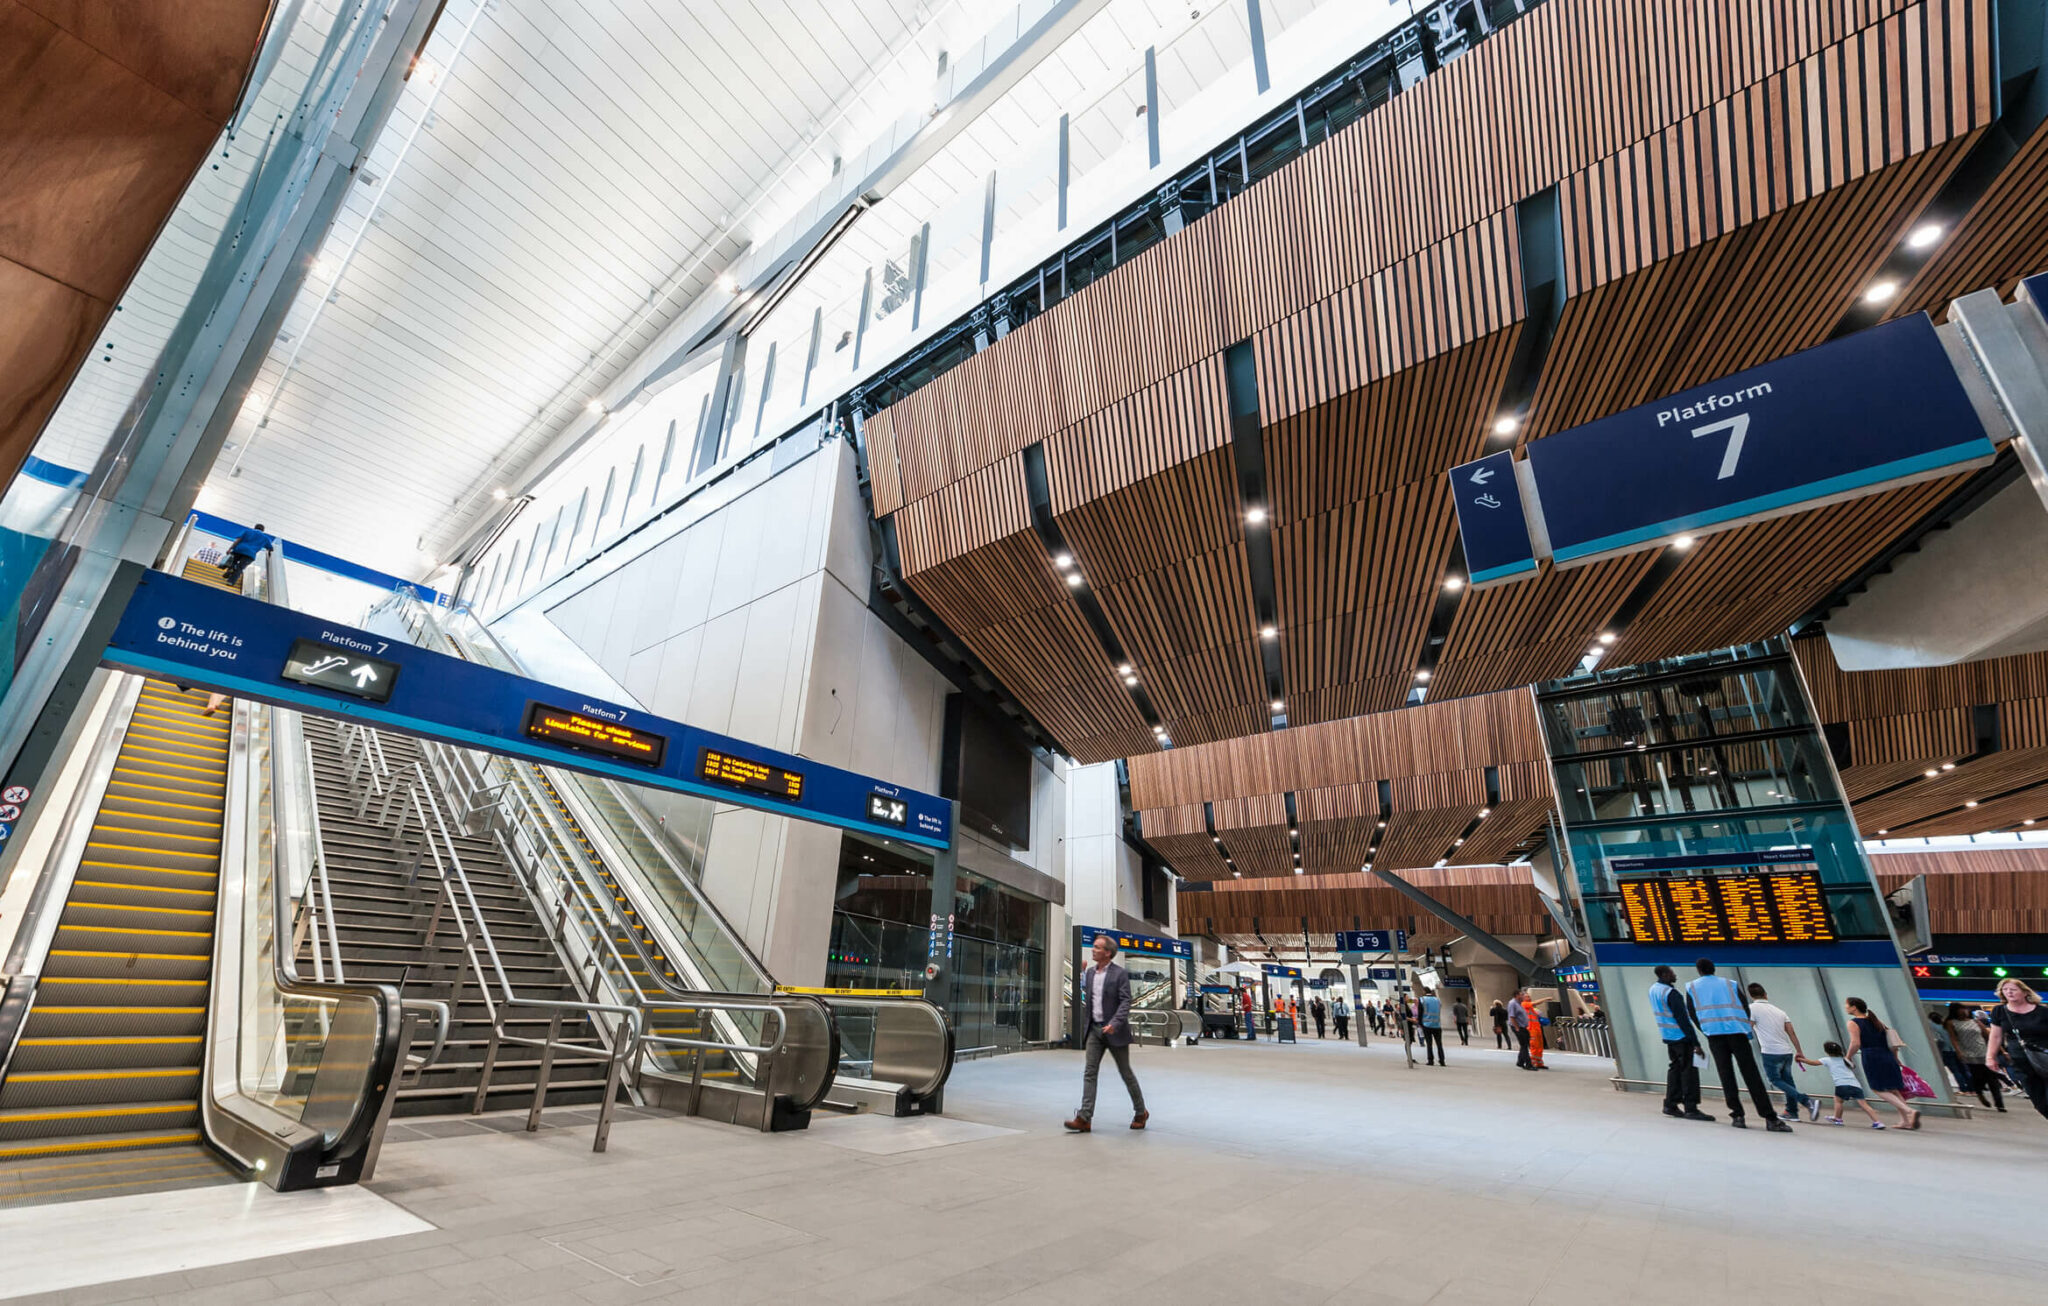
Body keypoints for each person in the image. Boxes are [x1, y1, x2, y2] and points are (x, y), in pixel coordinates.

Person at [1684, 959, 1788, 1131]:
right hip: (1737, 1032)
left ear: (1699, 970)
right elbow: (1745, 1008)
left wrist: (1705, 1029)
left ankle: (1737, 1115)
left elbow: (1692, 1012)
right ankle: (1770, 1117)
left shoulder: (1691, 987)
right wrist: (1745, 1027)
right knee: (1751, 1074)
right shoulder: (1730, 984)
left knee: (1726, 1075)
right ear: (1714, 969)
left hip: (1714, 1035)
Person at [1064, 935, 1147, 1132]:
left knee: (1125, 1072)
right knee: (1090, 1072)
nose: (1093, 950)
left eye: (1097, 947)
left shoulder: (1120, 974)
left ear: (1108, 953)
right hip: (1095, 1030)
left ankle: (1140, 1111)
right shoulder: (1091, 973)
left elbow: (1126, 1001)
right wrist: (1081, 974)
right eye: (1093, 947)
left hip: (1115, 1031)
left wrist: (1115, 1023)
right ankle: (1084, 1117)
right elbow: (1090, 995)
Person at [1747, 982, 1820, 1122]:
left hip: (1770, 1051)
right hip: (1787, 1052)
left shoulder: (1751, 1009)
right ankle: (1792, 1112)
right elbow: (1792, 1033)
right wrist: (1799, 1051)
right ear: (1765, 994)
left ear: (1751, 996)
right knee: (1788, 1082)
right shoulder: (1780, 1011)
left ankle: (1806, 1101)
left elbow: (1748, 1029)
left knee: (1774, 1079)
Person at [1843, 997, 1919, 1130]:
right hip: (1887, 1055)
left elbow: (1855, 1043)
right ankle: (1905, 1121)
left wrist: (1848, 1057)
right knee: (1894, 1090)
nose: (1845, 1007)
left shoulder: (1853, 1023)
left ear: (1854, 1007)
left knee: (1877, 1088)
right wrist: (1896, 1059)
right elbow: (1892, 1043)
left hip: (1872, 1057)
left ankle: (1909, 1111)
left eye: (1847, 1005)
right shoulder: (1877, 1021)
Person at [1647, 966, 1711, 1121]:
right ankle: (1691, 1107)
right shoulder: (1671, 993)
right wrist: (1696, 1043)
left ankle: (1670, 1104)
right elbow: (1683, 1019)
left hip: (1668, 1036)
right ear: (1664, 974)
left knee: (1675, 1070)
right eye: (1671, 973)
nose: (1674, 975)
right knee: (1689, 1072)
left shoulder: (1654, 989)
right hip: (1681, 1037)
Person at [1983, 977, 2048, 1120]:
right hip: (2021, 1062)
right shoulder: (2000, 1011)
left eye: (2013, 989)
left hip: (2044, 1058)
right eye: (2005, 990)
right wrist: (1990, 1057)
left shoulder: (2042, 1012)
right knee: (2040, 1103)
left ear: (2025, 992)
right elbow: (1995, 1036)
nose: (2009, 992)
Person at [1943, 1002, 2003, 1112]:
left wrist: (2000, 1050)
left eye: (1965, 1009)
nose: (1964, 1011)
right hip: (1969, 1054)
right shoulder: (1951, 1023)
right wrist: (1958, 1051)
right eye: (1961, 1009)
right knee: (1978, 1077)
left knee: (1992, 1078)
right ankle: (1979, 1093)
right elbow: (1953, 1039)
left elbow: (1988, 1035)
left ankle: (1999, 1103)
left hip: (1984, 1051)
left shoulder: (1975, 1021)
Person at [1818, 1040, 1887, 1128]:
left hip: (1841, 1084)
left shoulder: (1826, 1060)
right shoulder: (1845, 1059)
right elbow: (1853, 1066)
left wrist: (1802, 1059)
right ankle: (1877, 1122)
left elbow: (1812, 1063)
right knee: (1864, 1105)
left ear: (1827, 1051)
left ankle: (1837, 1118)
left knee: (1838, 1101)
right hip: (1855, 1085)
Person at [1929, 1009, 1970, 1093]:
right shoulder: (1947, 1024)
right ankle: (1971, 1088)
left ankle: (1963, 1088)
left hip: (1946, 1051)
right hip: (1957, 1049)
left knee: (1955, 1071)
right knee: (1964, 1069)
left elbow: (1939, 1040)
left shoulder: (1932, 1026)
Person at [1418, 989, 1446, 1066]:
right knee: (1439, 1044)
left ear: (1424, 991)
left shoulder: (1422, 999)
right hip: (1437, 1025)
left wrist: (1420, 1023)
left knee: (1429, 1044)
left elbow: (1420, 1012)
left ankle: (1430, 1060)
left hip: (1426, 1025)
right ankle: (1442, 1060)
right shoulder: (1437, 1000)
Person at [1520, 990, 1547, 1069]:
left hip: (1537, 1028)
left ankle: (1539, 1062)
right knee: (1534, 1046)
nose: (1529, 998)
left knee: (1540, 1046)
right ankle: (1533, 1062)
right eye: (1527, 997)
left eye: (1529, 996)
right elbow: (1535, 1003)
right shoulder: (1524, 1004)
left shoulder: (1531, 1008)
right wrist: (1545, 999)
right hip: (1531, 1029)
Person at [1509, 990, 1533, 1068]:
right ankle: (1528, 1064)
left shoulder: (1519, 1003)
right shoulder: (1512, 1003)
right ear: (1517, 995)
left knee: (1525, 1044)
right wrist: (1517, 1028)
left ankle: (1520, 1061)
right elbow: (1512, 1017)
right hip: (1518, 1027)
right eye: (1521, 995)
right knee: (1524, 1045)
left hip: (1523, 1026)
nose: (1523, 996)